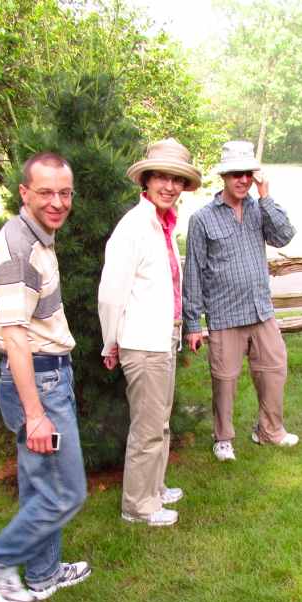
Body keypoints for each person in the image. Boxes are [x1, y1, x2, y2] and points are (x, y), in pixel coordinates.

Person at [0, 152, 91, 602]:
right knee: (66, 492)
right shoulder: (17, 253)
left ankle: (43, 573)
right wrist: (36, 414)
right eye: (45, 193)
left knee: (42, 487)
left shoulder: (37, 239)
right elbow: (16, 340)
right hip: (38, 380)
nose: (57, 202)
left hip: (48, 373)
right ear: (24, 193)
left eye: (65, 193)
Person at [98, 138, 202, 527]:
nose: (169, 186)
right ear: (147, 179)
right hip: (142, 344)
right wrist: (111, 341)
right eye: (162, 177)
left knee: (160, 422)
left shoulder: (164, 224)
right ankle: (138, 506)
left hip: (163, 339)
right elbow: (111, 294)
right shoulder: (134, 227)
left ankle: (154, 487)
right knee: (147, 429)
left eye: (177, 180)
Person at [183, 140, 298, 462]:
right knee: (225, 381)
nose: (243, 180)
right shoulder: (202, 219)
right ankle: (223, 439)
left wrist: (266, 196)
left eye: (248, 173)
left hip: (261, 311)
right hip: (224, 315)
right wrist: (193, 324)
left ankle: (269, 430)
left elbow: (284, 236)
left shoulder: (259, 209)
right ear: (224, 176)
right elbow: (193, 272)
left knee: (274, 370)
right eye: (236, 174)